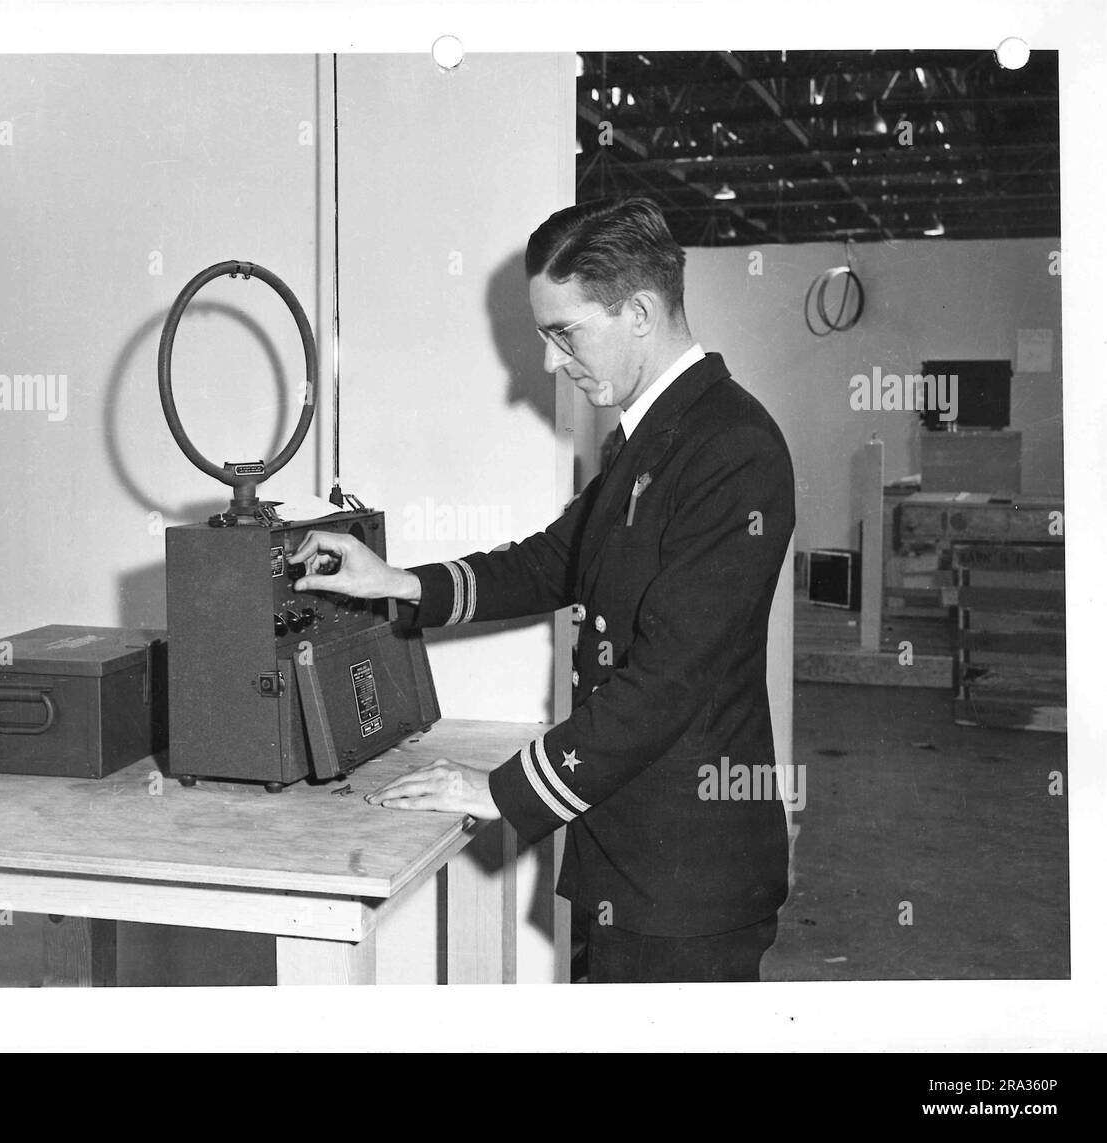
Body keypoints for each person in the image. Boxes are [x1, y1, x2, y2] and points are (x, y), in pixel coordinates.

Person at [291, 197, 795, 983]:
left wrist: (501, 787)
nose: (553, 361)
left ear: (638, 311)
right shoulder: (651, 437)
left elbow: (668, 681)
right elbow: (551, 563)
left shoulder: (732, 449)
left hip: (688, 882)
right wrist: (389, 582)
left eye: (565, 332)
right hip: (631, 856)